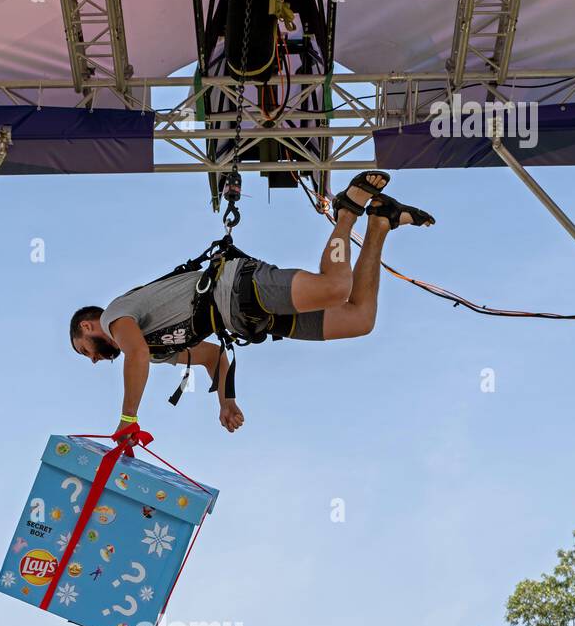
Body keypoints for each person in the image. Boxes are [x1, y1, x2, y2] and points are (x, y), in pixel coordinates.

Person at [70, 171, 434, 437]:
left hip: (240, 288)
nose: (93, 358)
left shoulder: (117, 315)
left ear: (89, 327)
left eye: (84, 350)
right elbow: (213, 358)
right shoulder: (155, 352)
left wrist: (128, 419)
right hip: (254, 320)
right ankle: (380, 223)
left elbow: (132, 354)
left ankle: (346, 212)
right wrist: (225, 401)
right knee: (360, 320)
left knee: (335, 288)